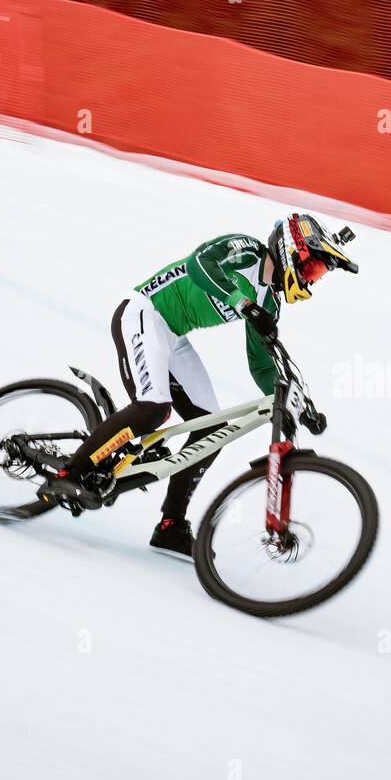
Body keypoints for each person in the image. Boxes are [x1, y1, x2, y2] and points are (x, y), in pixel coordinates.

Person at [38, 213, 358, 560]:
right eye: (313, 269)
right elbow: (199, 265)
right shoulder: (248, 250)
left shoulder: (269, 303)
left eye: (319, 275)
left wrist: (299, 402)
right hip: (144, 314)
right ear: (292, 250)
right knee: (154, 409)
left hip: (173, 338)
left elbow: (262, 364)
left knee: (212, 430)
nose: (312, 280)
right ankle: (70, 471)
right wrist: (244, 305)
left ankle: (171, 525)